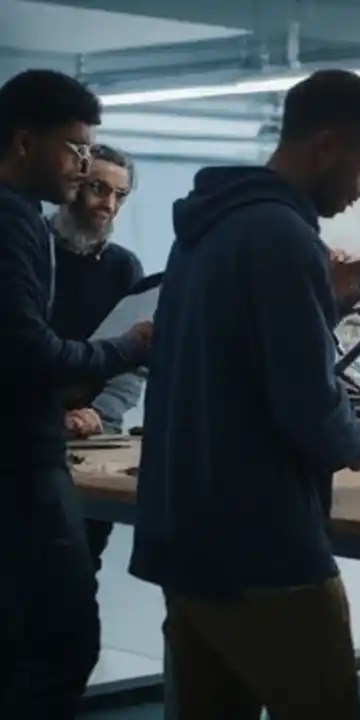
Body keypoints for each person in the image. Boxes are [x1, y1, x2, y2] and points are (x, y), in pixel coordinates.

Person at [129, 69, 360, 720]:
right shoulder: (283, 237)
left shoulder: (208, 227)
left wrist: (322, 305)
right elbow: (305, 403)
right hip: (264, 548)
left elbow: (241, 356)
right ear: (327, 146)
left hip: (188, 537)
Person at [0, 69, 152, 719]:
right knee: (61, 644)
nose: (83, 169)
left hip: (38, 453)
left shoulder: (112, 264)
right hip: (22, 459)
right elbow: (26, 352)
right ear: (26, 140)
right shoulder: (15, 223)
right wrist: (127, 347)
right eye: (76, 150)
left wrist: (105, 395)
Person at [47, 143, 146, 573]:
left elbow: (133, 363)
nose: (107, 204)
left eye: (118, 195)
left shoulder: (125, 268)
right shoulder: (30, 250)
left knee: (82, 571)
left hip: (95, 438)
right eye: (97, 189)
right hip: (24, 432)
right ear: (73, 186)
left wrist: (97, 414)